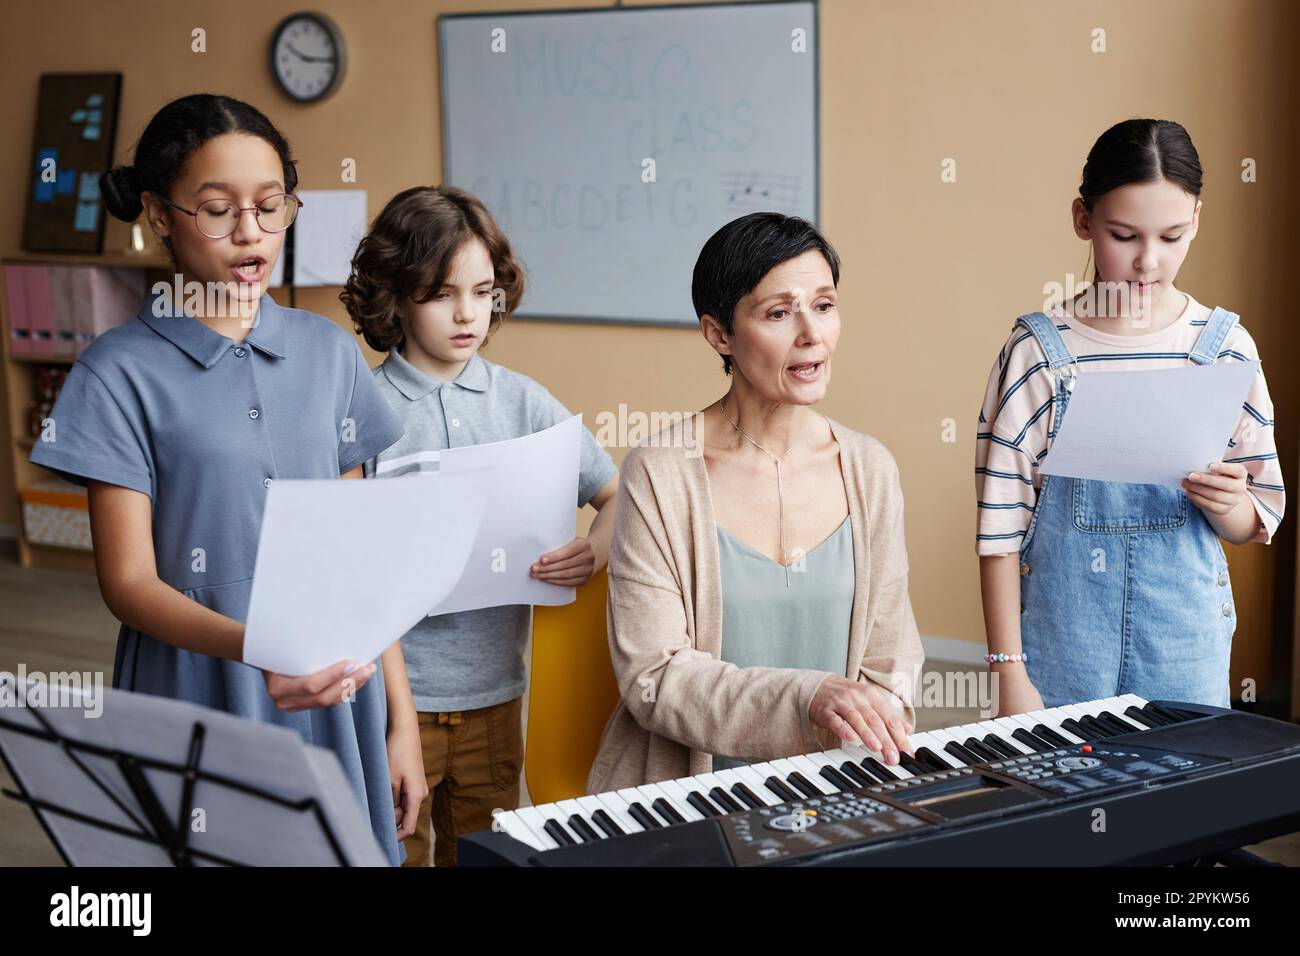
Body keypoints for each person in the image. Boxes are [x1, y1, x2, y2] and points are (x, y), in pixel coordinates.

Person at [29, 93, 420, 865]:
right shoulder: (117, 373)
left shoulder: (327, 352)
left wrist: (400, 720)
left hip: (338, 688)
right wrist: (261, 649)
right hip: (200, 684)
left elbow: (360, 556)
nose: (251, 232)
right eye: (218, 209)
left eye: (271, 206)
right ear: (159, 213)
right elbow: (129, 582)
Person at [587, 212, 925, 794]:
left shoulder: (871, 468)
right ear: (719, 334)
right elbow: (655, 677)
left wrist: (866, 735)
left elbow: (892, 666)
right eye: (777, 313)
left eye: (824, 305)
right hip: (685, 801)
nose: (811, 334)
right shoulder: (659, 474)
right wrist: (808, 699)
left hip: (835, 791)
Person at [343, 185, 620, 866]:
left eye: (483, 291)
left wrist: (593, 549)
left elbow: (619, 495)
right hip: (390, 702)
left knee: (485, 855)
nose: (467, 313)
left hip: (497, 698)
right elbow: (349, 566)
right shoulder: (365, 408)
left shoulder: (523, 401)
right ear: (396, 296)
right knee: (390, 849)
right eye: (441, 293)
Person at [975, 118, 1285, 714]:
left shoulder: (1225, 348)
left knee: (1185, 805)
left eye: (1171, 237)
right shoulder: (1038, 352)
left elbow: (1259, 516)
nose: (1148, 262)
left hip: (1186, 650)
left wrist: (1230, 507)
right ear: (1083, 220)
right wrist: (1005, 672)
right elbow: (998, 530)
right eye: (1124, 235)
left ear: (1197, 217)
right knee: (1066, 794)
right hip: (1060, 652)